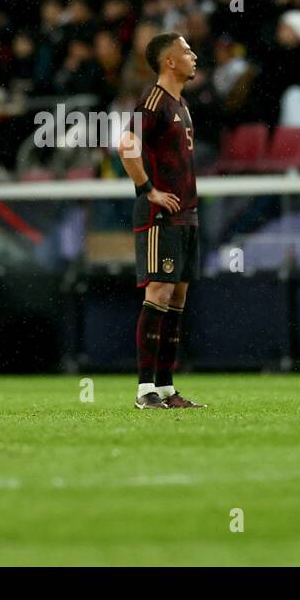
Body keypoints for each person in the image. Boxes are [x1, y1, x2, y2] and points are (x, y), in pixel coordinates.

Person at [117, 32, 205, 410]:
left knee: (177, 298)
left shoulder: (181, 103)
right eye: (187, 51)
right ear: (169, 61)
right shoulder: (153, 102)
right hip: (160, 215)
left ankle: (167, 389)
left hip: (186, 214)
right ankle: (144, 390)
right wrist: (148, 190)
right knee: (158, 294)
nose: (194, 56)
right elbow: (126, 145)